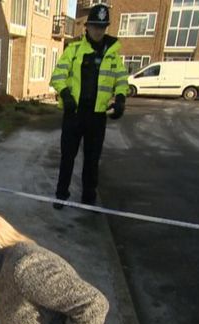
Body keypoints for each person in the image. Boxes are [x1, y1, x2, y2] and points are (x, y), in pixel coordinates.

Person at [49, 4, 128, 207]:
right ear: (87, 27)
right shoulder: (74, 50)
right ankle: (61, 195)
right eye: (94, 26)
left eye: (102, 27)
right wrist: (65, 94)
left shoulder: (112, 54)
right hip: (74, 114)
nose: (98, 30)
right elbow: (58, 75)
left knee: (92, 160)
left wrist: (120, 99)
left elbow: (121, 79)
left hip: (97, 115)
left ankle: (88, 198)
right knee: (67, 157)